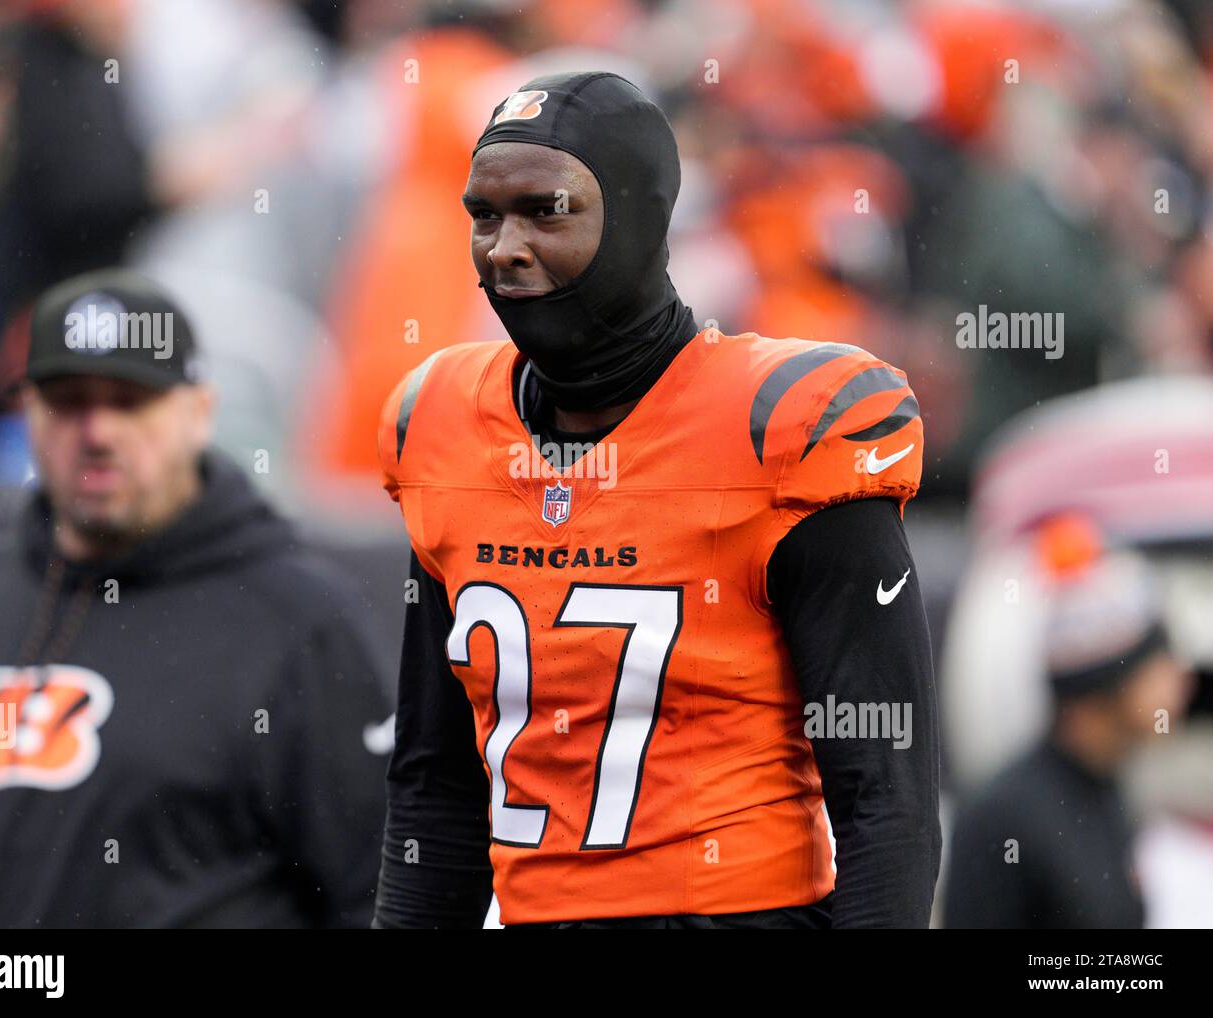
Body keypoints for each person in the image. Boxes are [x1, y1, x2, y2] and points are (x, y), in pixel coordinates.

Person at [372, 72, 940, 929]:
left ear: (638, 217)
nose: (505, 247)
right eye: (484, 215)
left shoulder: (780, 426)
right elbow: (436, 787)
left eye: (546, 209)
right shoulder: (443, 425)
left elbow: (885, 801)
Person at [0, 269, 391, 928]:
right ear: (26, 413)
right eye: (67, 400)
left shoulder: (299, 621)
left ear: (199, 413)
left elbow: (379, 891)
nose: (97, 431)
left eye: (129, 401)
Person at [943, 517, 1195, 929]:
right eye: (1157, 662)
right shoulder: (1001, 820)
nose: (1180, 677)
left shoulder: (1108, 788)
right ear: (1101, 688)